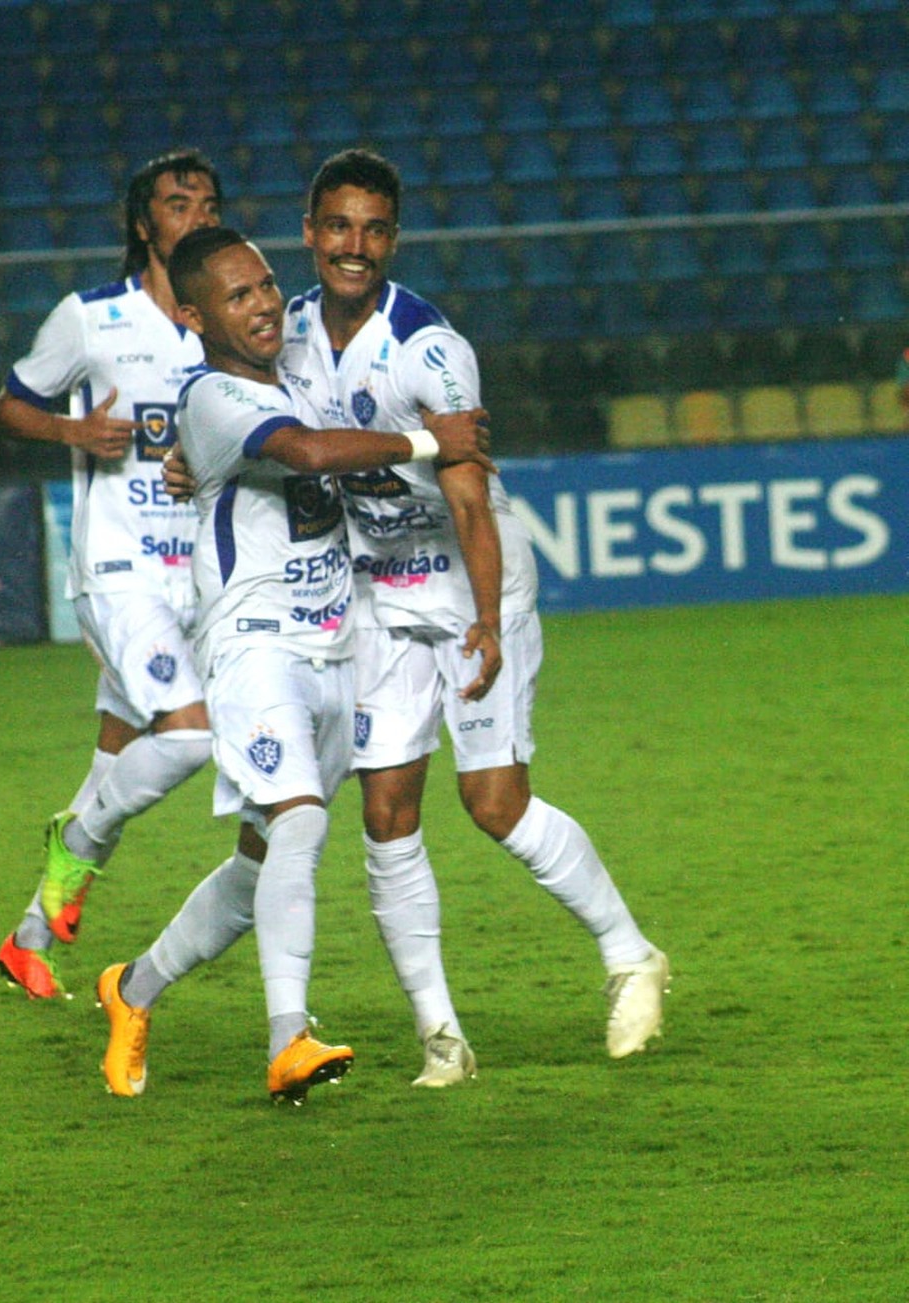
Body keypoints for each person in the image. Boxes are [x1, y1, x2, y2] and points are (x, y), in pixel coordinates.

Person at [165, 150, 669, 1079]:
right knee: (386, 815)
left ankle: (630, 954)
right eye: (337, 227)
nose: (354, 246)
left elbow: (468, 495)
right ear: (310, 233)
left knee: (494, 804)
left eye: (374, 230)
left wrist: (489, 618)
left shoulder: (430, 348)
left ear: (394, 240)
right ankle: (442, 1036)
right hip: (377, 592)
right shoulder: (287, 327)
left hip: (471, 588)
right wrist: (190, 460)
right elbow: (256, 425)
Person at [97, 225, 495, 1103]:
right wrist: (433, 440)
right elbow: (308, 453)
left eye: (268, 285)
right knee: (304, 822)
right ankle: (288, 1039)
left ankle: (132, 989)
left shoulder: (298, 380)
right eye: (238, 296)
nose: (265, 304)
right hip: (254, 646)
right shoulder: (212, 395)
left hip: (333, 648)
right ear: (196, 318)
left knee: (256, 868)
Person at [0, 150, 225, 1000]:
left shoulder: (226, 324)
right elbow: (9, 404)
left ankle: (27, 941)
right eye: (178, 201)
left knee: (116, 762)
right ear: (142, 223)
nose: (197, 214)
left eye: (208, 203)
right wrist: (73, 432)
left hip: (198, 576)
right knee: (192, 736)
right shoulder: (90, 319)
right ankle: (75, 839)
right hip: (119, 572)